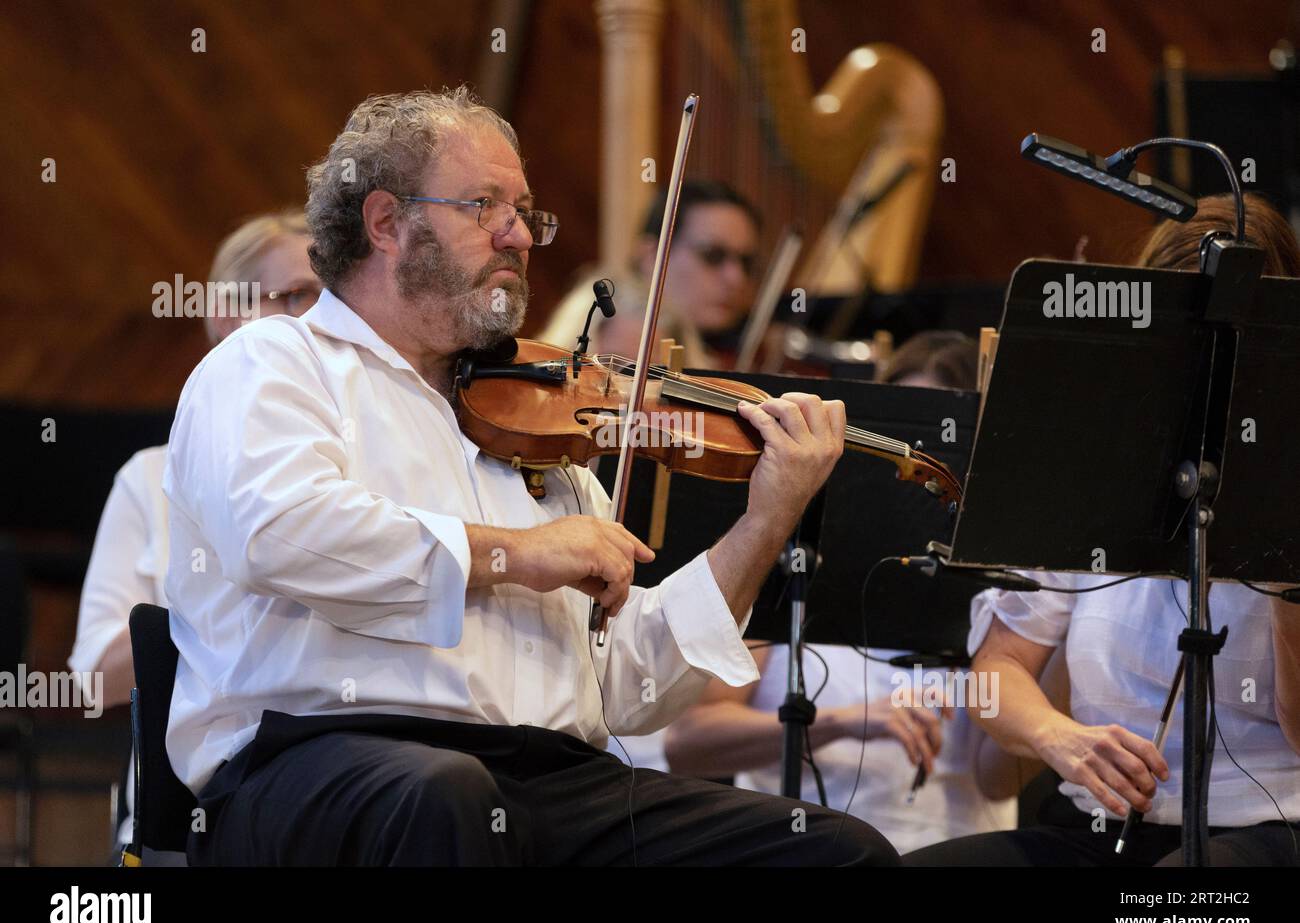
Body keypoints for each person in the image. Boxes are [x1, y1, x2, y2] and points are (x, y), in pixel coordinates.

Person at [165, 87, 898, 866]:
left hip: (550, 781)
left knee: (837, 853)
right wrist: (520, 552)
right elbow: (279, 533)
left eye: (524, 211)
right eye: (484, 206)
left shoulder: (534, 415)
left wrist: (765, 520)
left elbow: (629, 685)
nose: (518, 235)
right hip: (319, 767)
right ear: (385, 222)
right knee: (448, 800)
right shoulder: (272, 363)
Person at [904, 194, 1300, 866]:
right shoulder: (1084, 461)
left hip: (1269, 826)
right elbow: (996, 675)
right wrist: (1060, 738)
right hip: (1098, 825)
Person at [663, 332, 1036, 855]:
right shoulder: (804, 561)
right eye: (898, 453)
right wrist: (844, 723)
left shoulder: (998, 590)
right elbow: (687, 743)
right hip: (803, 855)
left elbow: (1001, 781)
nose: (913, 478)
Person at [68, 210, 318, 850]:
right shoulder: (150, 477)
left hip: (336, 784)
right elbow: (92, 682)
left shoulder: (361, 474)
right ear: (229, 316)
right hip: (199, 804)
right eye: (294, 295)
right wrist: (209, 594)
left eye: (331, 297)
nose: (318, 318)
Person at [540, 180, 761, 367]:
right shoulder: (610, 316)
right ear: (652, 255)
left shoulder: (740, 355)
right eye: (713, 255)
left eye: (746, 262)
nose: (736, 278)